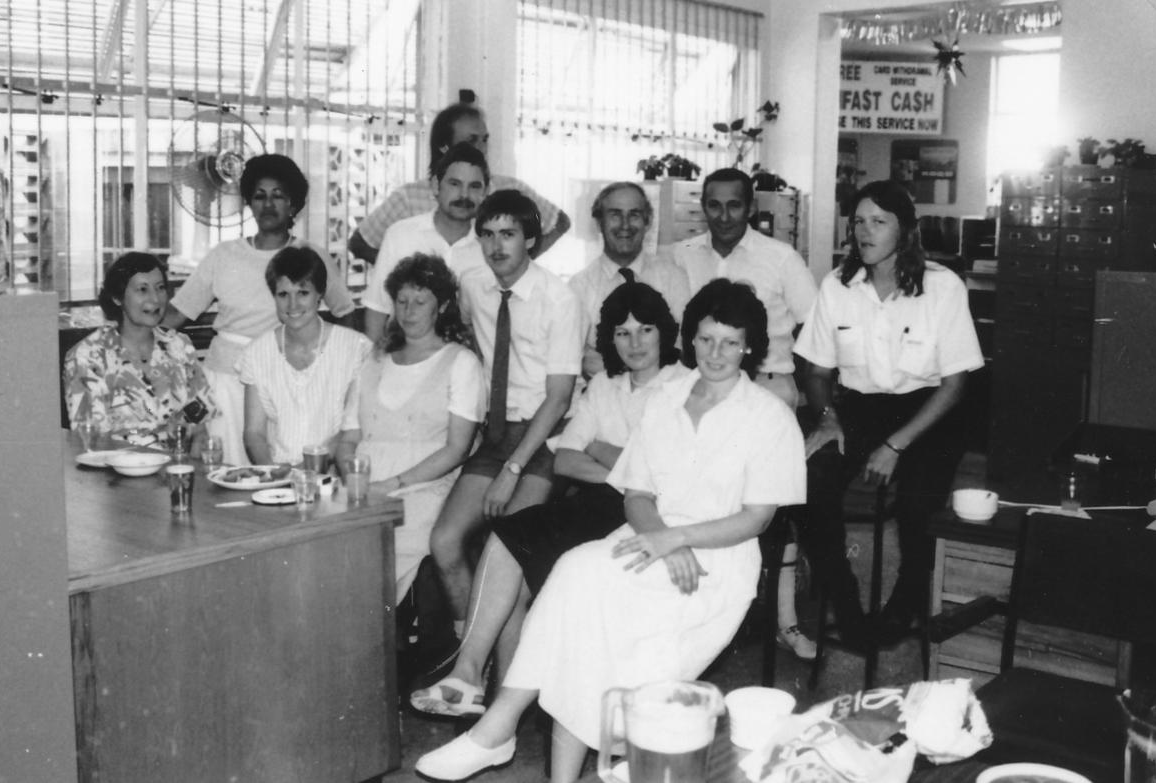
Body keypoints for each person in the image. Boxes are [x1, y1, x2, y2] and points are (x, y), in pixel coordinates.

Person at [415, 278, 806, 783]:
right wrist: (661, 537)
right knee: (575, 571)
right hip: (646, 537)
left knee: (597, 640)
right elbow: (637, 494)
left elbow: (757, 518)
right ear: (690, 340)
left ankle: (498, 731)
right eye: (706, 340)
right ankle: (501, 726)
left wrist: (676, 540)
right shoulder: (665, 402)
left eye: (731, 342)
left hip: (715, 559)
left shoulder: (768, 415)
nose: (716, 353)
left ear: (749, 344)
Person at [409, 282, 689, 717]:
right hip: (599, 501)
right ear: (609, 339)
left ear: (665, 333)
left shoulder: (683, 387)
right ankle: (473, 677)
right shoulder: (604, 387)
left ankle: (497, 700)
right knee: (509, 541)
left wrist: (600, 449)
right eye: (623, 333)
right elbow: (566, 462)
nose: (635, 343)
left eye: (646, 330)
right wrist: (625, 464)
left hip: (652, 512)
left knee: (522, 559)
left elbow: (665, 467)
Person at [794, 179, 984, 645]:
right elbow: (815, 370)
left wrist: (896, 445)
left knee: (919, 503)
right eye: (858, 221)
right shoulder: (837, 285)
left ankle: (907, 602)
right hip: (859, 408)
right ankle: (844, 601)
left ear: (906, 231)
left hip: (930, 412)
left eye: (879, 221)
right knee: (809, 483)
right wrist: (828, 416)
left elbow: (956, 384)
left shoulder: (942, 287)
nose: (865, 232)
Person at [671, 166, 819, 659]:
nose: (724, 215)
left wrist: (823, 406)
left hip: (766, 389)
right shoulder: (682, 257)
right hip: (705, 387)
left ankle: (784, 620)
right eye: (714, 205)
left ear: (750, 206)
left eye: (735, 205)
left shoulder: (780, 259)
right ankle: (707, 612)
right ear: (703, 207)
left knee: (769, 508)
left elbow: (816, 331)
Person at [429, 189, 585, 639]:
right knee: (444, 542)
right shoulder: (475, 285)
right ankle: (467, 650)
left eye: (509, 235)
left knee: (508, 545)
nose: (497, 246)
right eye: (489, 235)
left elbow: (558, 398)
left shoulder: (559, 300)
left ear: (530, 240)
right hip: (496, 432)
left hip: (545, 438)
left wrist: (512, 470)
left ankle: (495, 661)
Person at [163, 153, 356, 465]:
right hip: (225, 382)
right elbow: (176, 314)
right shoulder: (223, 255)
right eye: (260, 196)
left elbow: (345, 314)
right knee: (225, 475)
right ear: (249, 204)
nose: (268, 205)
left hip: (287, 384)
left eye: (278, 196)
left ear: (293, 204)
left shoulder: (310, 256)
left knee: (280, 473)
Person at [335, 254, 484, 603]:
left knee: (380, 557)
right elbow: (349, 439)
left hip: (425, 487)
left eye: (420, 301)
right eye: (401, 301)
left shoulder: (460, 363)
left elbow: (456, 450)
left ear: (442, 306)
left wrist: (392, 485)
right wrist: (355, 483)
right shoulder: (373, 361)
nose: (408, 311)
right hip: (365, 488)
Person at [348, 102, 570, 267]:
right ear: (445, 146)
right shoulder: (409, 197)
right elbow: (359, 242)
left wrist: (519, 263)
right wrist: (403, 273)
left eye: (485, 139)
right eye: (472, 140)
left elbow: (560, 222)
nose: (481, 148)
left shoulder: (507, 190)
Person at [236, 246, 370, 466]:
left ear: (320, 294)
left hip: (336, 474)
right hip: (278, 476)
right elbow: (254, 434)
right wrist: (274, 476)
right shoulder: (256, 354)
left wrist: (308, 470)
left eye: (303, 293)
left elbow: (353, 430)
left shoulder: (356, 348)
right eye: (283, 294)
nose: (293, 305)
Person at [64, 252, 214, 440]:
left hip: (179, 466)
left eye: (160, 288)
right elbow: (89, 440)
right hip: (112, 468)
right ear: (117, 298)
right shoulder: (88, 357)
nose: (155, 299)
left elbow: (201, 430)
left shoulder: (179, 346)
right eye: (142, 289)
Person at [363, 142, 490, 344]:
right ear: (435, 185)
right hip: (404, 361)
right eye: (454, 184)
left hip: (468, 364)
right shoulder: (401, 235)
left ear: (485, 192)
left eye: (474, 187)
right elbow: (377, 310)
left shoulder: (489, 247)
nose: (464, 195)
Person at [569, 181, 689, 376]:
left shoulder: (674, 278)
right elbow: (576, 361)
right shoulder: (579, 288)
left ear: (648, 221)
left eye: (634, 215)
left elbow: (682, 351)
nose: (625, 225)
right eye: (615, 215)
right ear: (599, 222)